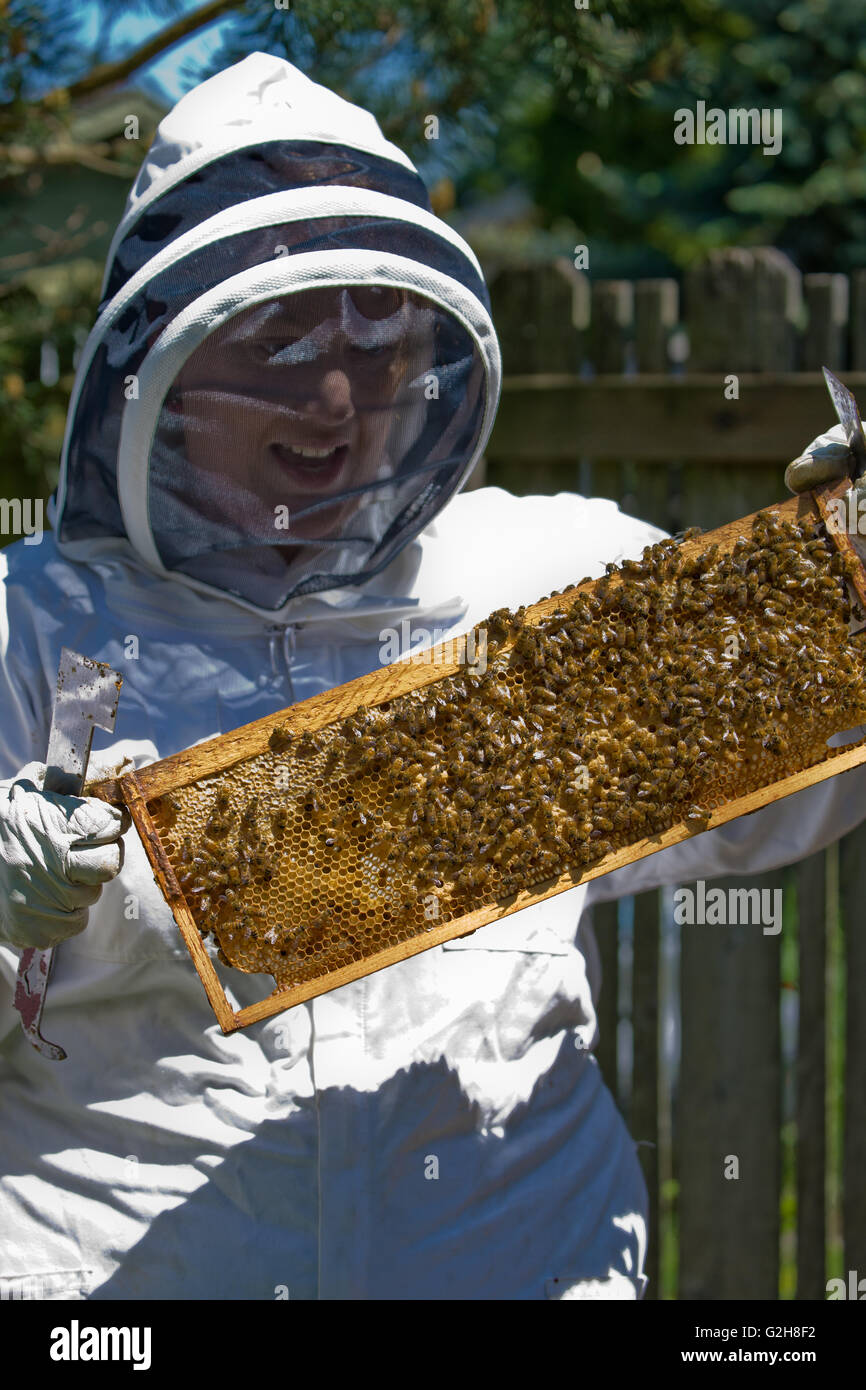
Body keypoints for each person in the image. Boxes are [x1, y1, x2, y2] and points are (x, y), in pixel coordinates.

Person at [0, 52, 863, 1302]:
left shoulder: (538, 566)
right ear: (164, 371)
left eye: (378, 341)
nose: (336, 396)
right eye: (277, 340)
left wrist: (835, 613)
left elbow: (771, 809)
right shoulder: (32, 627)